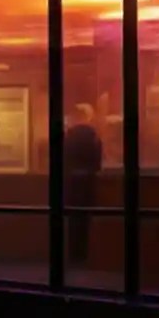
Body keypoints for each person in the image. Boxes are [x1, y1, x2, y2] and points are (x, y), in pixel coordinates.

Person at [64, 104, 102, 265]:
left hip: (71, 182)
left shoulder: (67, 137)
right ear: (88, 118)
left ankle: (73, 254)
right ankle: (85, 254)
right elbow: (97, 163)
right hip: (88, 182)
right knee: (86, 219)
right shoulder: (94, 137)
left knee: (73, 219)